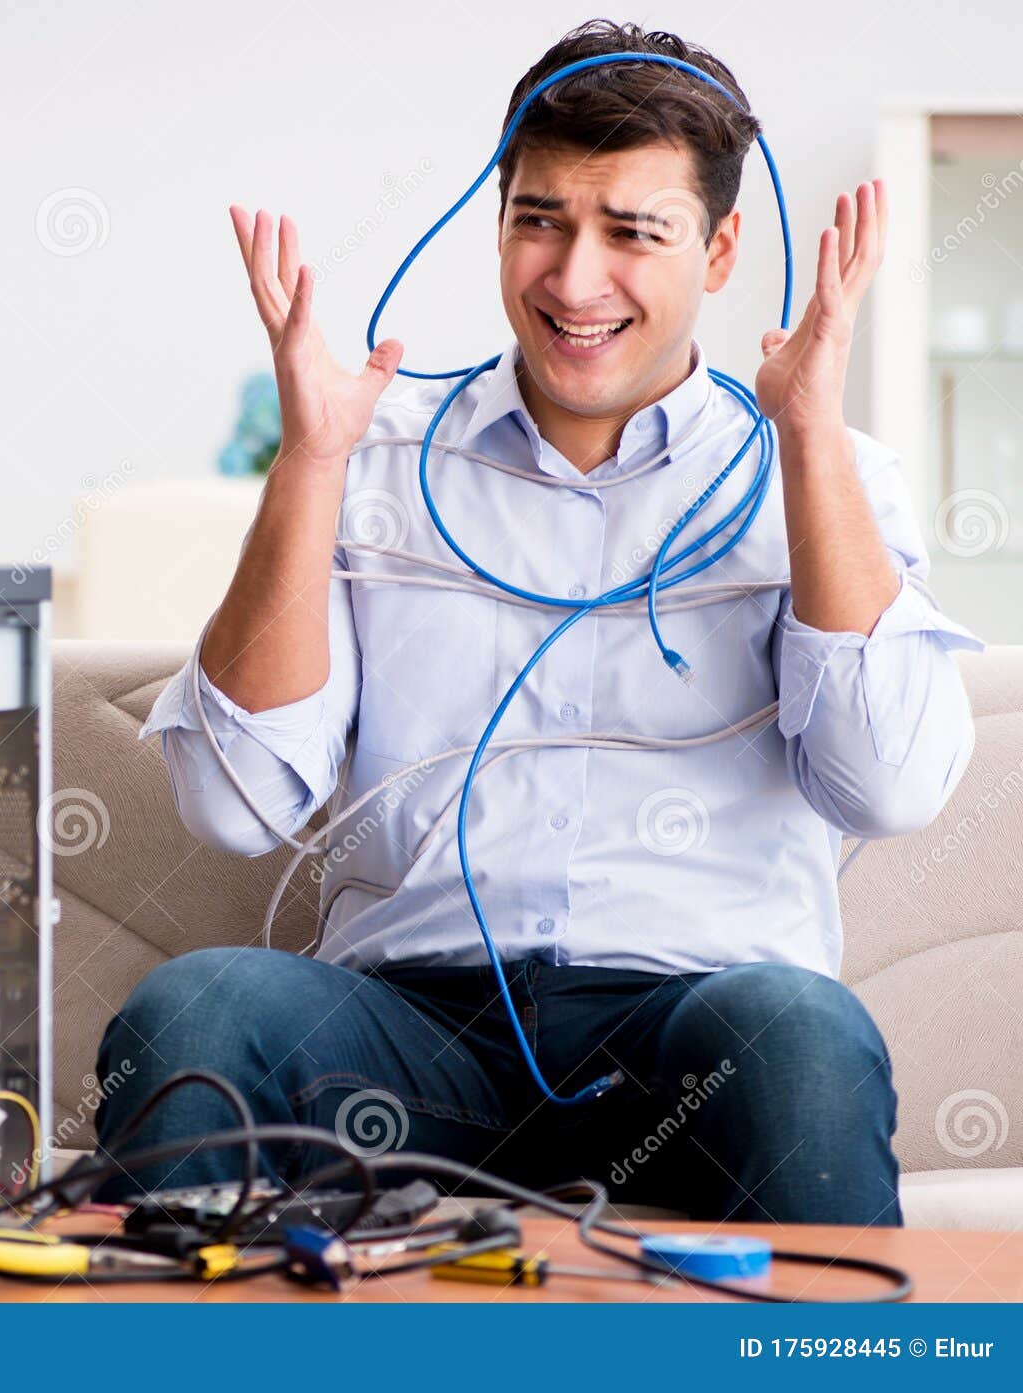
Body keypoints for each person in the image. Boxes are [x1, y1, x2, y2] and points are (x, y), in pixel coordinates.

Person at [93, 19, 984, 1225]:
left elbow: (887, 788)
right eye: (540, 220)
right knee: (194, 1010)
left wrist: (809, 440)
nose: (573, 279)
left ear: (719, 250)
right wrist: (309, 463)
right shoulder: (370, 460)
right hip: (410, 1042)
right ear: (499, 221)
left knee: (799, 1027)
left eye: (634, 232)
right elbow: (234, 805)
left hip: (693, 1043)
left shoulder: (824, 472)